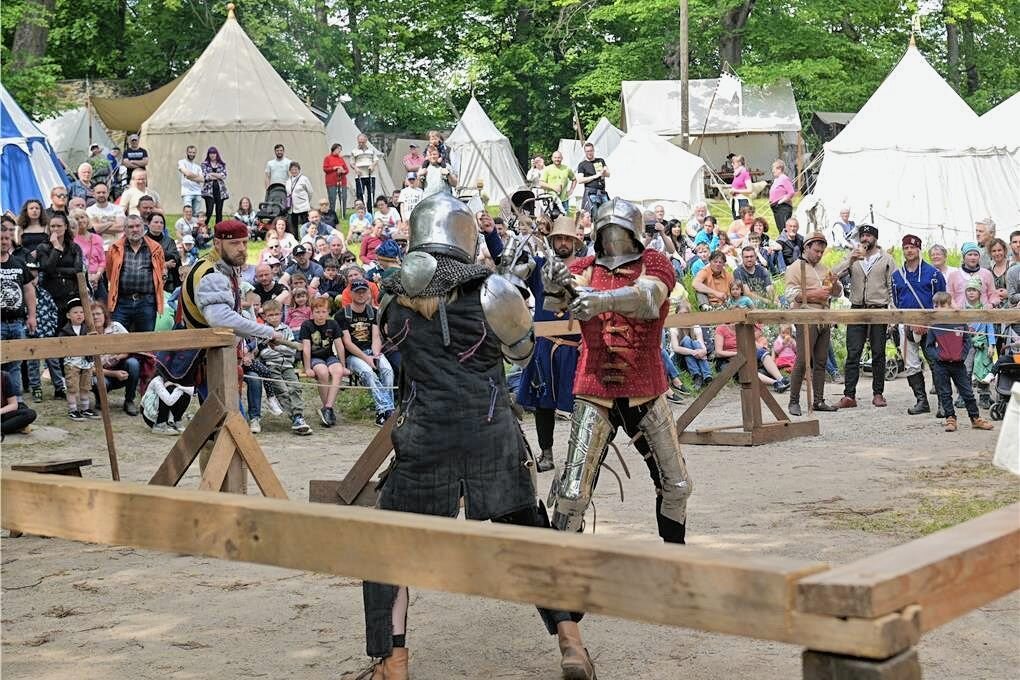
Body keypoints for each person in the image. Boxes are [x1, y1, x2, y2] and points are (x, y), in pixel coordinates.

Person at [358, 191, 592, 680]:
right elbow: (522, 356)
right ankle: (572, 646)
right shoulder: (495, 292)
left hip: (425, 438)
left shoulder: (393, 298)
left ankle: (393, 664)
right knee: (531, 538)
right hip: (490, 437)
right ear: (465, 236)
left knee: (387, 544)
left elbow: (405, 360)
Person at [543, 196, 693, 550]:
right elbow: (555, 302)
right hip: (594, 386)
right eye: (608, 230)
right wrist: (556, 281)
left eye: (620, 230)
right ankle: (563, 581)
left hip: (645, 385)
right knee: (572, 493)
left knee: (676, 486)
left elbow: (648, 298)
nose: (613, 236)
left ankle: (674, 565)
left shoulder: (654, 262)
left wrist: (599, 300)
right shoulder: (584, 264)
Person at [509, 216, 582, 473]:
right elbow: (509, 263)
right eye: (558, 238)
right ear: (553, 241)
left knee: (582, 404)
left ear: (575, 241)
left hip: (577, 347)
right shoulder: (540, 267)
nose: (563, 242)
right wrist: (491, 235)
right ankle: (547, 454)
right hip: (544, 345)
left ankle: (580, 455)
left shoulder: (586, 268)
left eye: (567, 238)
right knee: (543, 404)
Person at [830, 223, 895, 409]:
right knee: (853, 352)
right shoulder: (854, 257)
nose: (865, 239)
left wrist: (892, 312)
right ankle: (849, 395)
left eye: (868, 236)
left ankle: (878, 393)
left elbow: (892, 286)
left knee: (878, 352)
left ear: (875, 238)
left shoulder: (886, 258)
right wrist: (849, 260)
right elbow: (832, 275)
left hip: (878, 308)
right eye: (862, 236)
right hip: (857, 307)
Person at [784, 231, 842, 416]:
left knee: (821, 361)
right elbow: (790, 294)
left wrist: (835, 284)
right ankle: (793, 401)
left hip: (824, 317)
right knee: (802, 359)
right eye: (816, 251)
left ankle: (818, 400)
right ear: (806, 247)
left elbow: (837, 293)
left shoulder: (824, 269)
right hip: (805, 315)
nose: (818, 254)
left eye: (821, 252)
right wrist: (813, 295)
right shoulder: (795, 267)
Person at [890, 233, 945, 416]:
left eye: (912, 247)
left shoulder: (934, 274)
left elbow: (941, 302)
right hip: (906, 326)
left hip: (931, 326)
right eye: (906, 248)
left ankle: (944, 403)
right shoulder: (897, 276)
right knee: (911, 364)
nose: (909, 250)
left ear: (918, 249)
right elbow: (897, 303)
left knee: (937, 362)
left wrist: (926, 322)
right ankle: (921, 401)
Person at [925, 292, 995, 432]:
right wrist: (938, 356)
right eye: (936, 305)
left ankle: (975, 418)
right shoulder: (935, 325)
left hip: (958, 364)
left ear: (950, 304)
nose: (938, 308)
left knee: (967, 392)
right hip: (941, 365)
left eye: (942, 305)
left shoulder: (960, 322)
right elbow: (929, 346)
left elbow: (967, 340)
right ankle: (950, 418)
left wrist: (962, 355)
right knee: (945, 393)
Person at [338, 280, 395, 425]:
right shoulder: (343, 314)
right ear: (351, 293)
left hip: (372, 350)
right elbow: (348, 343)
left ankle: (384, 412)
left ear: (369, 293)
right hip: (353, 355)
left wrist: (375, 355)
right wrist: (366, 358)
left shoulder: (373, 312)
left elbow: (376, 337)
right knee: (368, 373)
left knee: (388, 370)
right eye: (357, 292)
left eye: (364, 291)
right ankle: (387, 410)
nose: (361, 294)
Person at [254, 299, 313, 435]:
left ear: (281, 314)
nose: (274, 317)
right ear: (265, 316)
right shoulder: (262, 330)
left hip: (287, 365)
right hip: (271, 366)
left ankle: (299, 415)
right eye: (271, 315)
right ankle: (295, 418)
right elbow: (264, 353)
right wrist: (282, 348)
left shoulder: (286, 329)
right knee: (281, 390)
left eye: (276, 314)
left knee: (295, 387)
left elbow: (293, 351)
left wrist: (277, 347)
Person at [105, 215, 166, 333]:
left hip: (146, 302)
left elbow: (160, 272)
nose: (135, 229)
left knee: (145, 341)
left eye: (138, 226)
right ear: (125, 229)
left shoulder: (155, 248)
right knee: (117, 339)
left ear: (144, 227)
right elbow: (110, 273)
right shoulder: (115, 248)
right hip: (121, 302)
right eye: (131, 227)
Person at [1, 226, 37, 402]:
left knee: (15, 365)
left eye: (7, 239)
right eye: (0, 239)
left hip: (17, 322)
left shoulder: (18, 263)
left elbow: (29, 290)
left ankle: (17, 403)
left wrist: (32, 316)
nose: (4, 242)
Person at [300, 297, 348, 427]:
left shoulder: (333, 324)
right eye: (317, 312)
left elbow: (339, 346)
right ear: (312, 312)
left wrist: (343, 366)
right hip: (315, 358)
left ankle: (327, 407)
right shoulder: (307, 325)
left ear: (328, 312)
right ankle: (327, 409)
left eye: (323, 312)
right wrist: (307, 367)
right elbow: (306, 348)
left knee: (337, 371)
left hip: (329, 356)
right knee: (323, 372)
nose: (320, 315)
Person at [59, 299, 96, 421]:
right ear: (68, 315)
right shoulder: (65, 331)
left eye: (81, 312)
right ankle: (73, 410)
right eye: (75, 312)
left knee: (85, 386)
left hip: (86, 361)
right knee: (72, 386)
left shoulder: (89, 329)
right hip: (71, 361)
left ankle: (85, 408)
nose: (79, 315)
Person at [669, 300, 713, 389]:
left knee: (696, 343)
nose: (683, 316)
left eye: (685, 313)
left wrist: (703, 351)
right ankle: (698, 374)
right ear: (676, 314)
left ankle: (705, 377)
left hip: (693, 356)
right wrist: (694, 352)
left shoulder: (695, 326)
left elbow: (701, 343)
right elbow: (676, 348)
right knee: (686, 340)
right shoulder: (674, 328)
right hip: (679, 358)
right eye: (680, 313)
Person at [140, 364, 194, 435]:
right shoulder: (157, 380)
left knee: (185, 394)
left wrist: (179, 386)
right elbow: (169, 401)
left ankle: (176, 421)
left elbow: (192, 391)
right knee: (171, 390)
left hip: (166, 412)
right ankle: (160, 425)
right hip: (151, 415)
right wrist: (179, 387)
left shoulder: (177, 380)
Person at [947, 242, 999, 309]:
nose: (973, 257)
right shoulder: (954, 275)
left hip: (983, 315)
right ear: (964, 257)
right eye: (970, 254)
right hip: (960, 316)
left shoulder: (987, 274)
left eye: (975, 255)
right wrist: (955, 307)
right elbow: (949, 296)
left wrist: (991, 305)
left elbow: (993, 294)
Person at [71, 208, 105, 292]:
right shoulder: (72, 240)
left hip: (98, 279)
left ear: (87, 218)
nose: (80, 220)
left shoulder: (97, 238)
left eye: (82, 217)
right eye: (76, 219)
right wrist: (88, 276)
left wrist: (97, 276)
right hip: (81, 280)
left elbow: (102, 261)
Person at [199, 147, 228, 226]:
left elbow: (224, 176)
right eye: (211, 153)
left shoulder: (221, 164)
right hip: (208, 191)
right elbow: (205, 176)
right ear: (208, 155)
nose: (212, 155)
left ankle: (218, 230)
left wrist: (212, 174)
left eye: (214, 153)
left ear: (217, 154)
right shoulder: (204, 164)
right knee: (209, 210)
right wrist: (217, 175)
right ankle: (203, 227)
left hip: (220, 190)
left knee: (219, 211)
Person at [576, 142, 609, 212]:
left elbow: (608, 174)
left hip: (602, 192)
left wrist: (604, 172)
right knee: (594, 214)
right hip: (591, 192)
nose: (589, 153)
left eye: (591, 151)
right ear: (585, 152)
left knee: (607, 213)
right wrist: (595, 176)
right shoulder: (582, 164)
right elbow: (580, 180)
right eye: (587, 151)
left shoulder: (600, 160)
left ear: (593, 150)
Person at [286, 161, 314, 238]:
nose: (294, 171)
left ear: (299, 170)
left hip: (303, 205)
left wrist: (306, 201)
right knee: (293, 224)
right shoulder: (288, 180)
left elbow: (310, 192)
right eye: (292, 169)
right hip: (292, 207)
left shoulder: (304, 179)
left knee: (305, 223)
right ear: (290, 170)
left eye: (296, 169)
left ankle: (306, 237)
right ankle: (295, 238)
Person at [323, 143, 350, 218]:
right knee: (332, 199)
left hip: (342, 181)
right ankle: (332, 215)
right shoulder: (327, 158)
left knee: (343, 197)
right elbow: (325, 169)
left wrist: (342, 171)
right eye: (339, 149)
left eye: (340, 149)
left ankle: (343, 215)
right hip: (331, 182)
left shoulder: (341, 159)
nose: (340, 151)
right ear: (334, 149)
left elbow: (347, 170)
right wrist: (334, 168)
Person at [768, 159, 794, 233]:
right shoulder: (777, 179)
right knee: (780, 229)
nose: (772, 171)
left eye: (774, 168)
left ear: (779, 169)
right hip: (776, 207)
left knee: (784, 229)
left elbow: (791, 192)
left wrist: (781, 201)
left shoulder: (784, 178)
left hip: (783, 207)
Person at [178, 145, 204, 215]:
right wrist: (196, 177)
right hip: (187, 192)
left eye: (193, 152)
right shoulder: (182, 162)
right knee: (188, 213)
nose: (191, 154)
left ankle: (195, 226)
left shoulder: (198, 166)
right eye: (190, 152)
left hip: (197, 192)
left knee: (197, 214)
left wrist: (190, 177)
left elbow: (202, 179)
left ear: (195, 153)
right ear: (186, 152)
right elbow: (186, 173)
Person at [729, 154, 752, 218]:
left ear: (739, 163)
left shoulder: (745, 173)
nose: (732, 164)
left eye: (733, 163)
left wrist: (735, 190)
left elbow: (750, 190)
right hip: (735, 201)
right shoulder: (736, 175)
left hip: (743, 202)